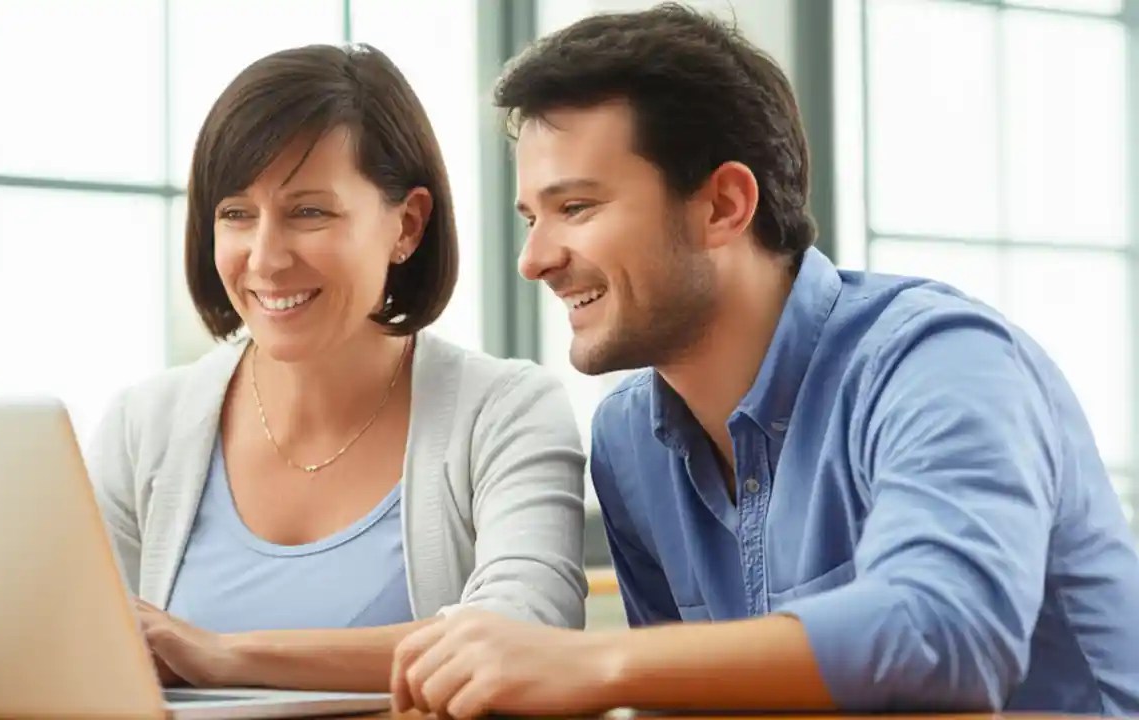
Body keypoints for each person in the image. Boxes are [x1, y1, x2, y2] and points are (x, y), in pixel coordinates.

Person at [389, 3, 1139, 717]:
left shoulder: (941, 362)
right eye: (532, 217)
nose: (535, 259)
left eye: (576, 208)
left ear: (724, 206)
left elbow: (946, 632)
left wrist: (584, 664)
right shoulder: (628, 443)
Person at [85, 43, 587, 693]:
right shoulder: (142, 426)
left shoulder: (505, 411)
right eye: (237, 214)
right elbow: (80, 648)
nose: (265, 258)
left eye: (308, 212)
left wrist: (223, 655)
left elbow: (524, 635)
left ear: (407, 225)